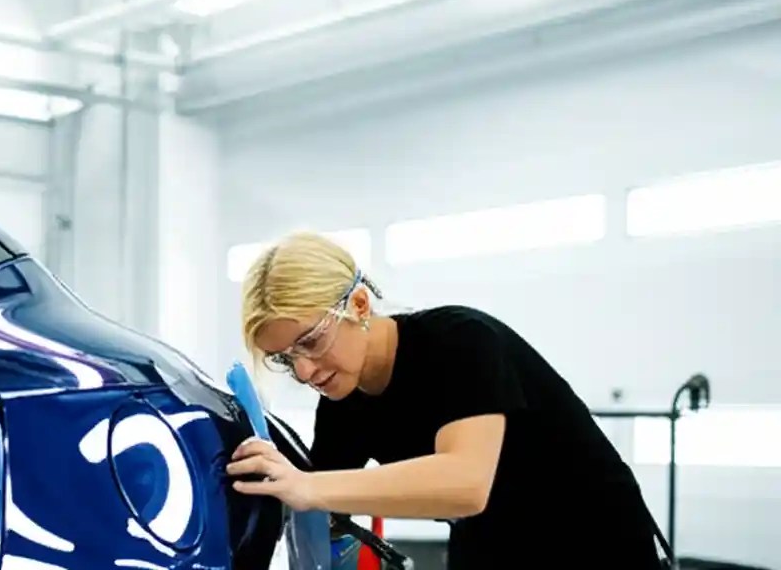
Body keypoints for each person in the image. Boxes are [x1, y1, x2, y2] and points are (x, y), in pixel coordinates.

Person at [225, 231, 665, 569]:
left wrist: (308, 487)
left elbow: (466, 484)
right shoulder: (343, 399)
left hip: (594, 537)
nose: (303, 372)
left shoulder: (462, 342)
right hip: (492, 538)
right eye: (286, 358)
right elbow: (324, 505)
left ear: (359, 304)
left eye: (312, 341)